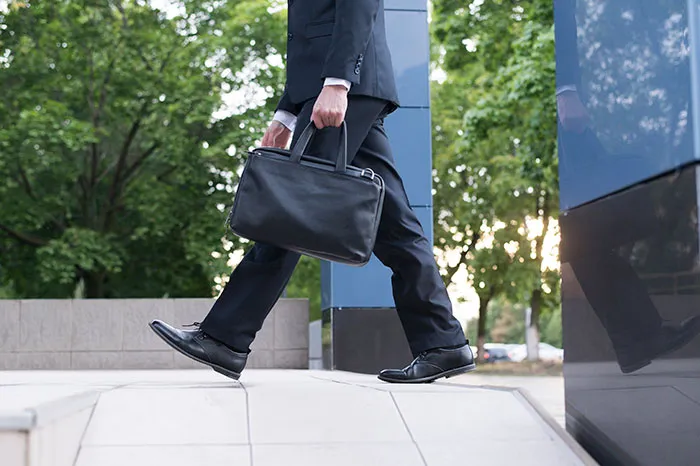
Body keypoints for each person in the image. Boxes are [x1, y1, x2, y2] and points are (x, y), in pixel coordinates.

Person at [149, 0, 475, 384]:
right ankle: (444, 343)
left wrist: (338, 83)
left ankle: (225, 336)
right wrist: (286, 113)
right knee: (395, 225)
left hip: (346, 86)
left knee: (291, 212)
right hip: (338, 87)